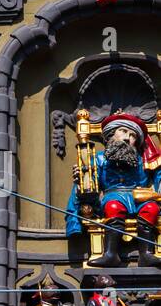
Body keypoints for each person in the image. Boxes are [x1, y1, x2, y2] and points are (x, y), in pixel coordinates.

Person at [66, 113, 161, 267]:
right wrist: (82, 179)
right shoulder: (99, 159)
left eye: (132, 135)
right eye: (123, 131)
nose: (127, 138)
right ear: (111, 135)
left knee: (151, 208)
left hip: (139, 197)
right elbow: (90, 185)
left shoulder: (144, 160)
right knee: (113, 207)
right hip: (112, 196)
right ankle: (111, 253)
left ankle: (146, 253)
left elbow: (158, 177)